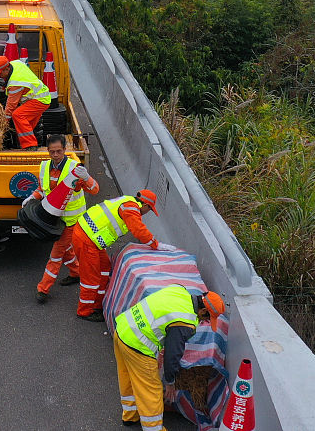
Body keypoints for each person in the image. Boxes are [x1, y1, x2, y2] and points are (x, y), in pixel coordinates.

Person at [112, 286, 227, 430]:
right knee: (151, 391)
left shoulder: (179, 290)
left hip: (123, 329)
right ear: (203, 311)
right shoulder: (185, 322)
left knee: (127, 377)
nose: (204, 322)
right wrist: (170, 381)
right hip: (138, 345)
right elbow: (172, 354)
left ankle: (130, 415)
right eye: (207, 318)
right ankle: (154, 428)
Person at [72, 190, 177, 321]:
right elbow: (138, 229)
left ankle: (97, 303)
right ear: (145, 205)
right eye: (149, 210)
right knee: (91, 278)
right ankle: (84, 311)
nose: (146, 213)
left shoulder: (128, 201)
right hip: (87, 239)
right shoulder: (131, 208)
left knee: (105, 269)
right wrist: (156, 244)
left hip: (89, 236)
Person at [29, 134, 100, 303]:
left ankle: (43, 289)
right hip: (53, 219)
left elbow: (95, 189)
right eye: (52, 151)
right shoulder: (44, 167)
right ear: (47, 151)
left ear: (65, 149)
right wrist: (32, 197)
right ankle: (76, 273)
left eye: (59, 151)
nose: (55, 155)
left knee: (56, 255)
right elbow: (42, 189)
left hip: (70, 221)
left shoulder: (74, 168)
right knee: (67, 250)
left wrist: (86, 177)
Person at [0, 55, 51, 149]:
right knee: (26, 126)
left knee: (17, 115)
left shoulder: (16, 84)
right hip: (39, 97)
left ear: (7, 69)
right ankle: (27, 143)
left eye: (0, 73)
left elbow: (11, 106)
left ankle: (30, 145)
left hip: (39, 100)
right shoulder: (16, 63)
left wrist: (4, 122)